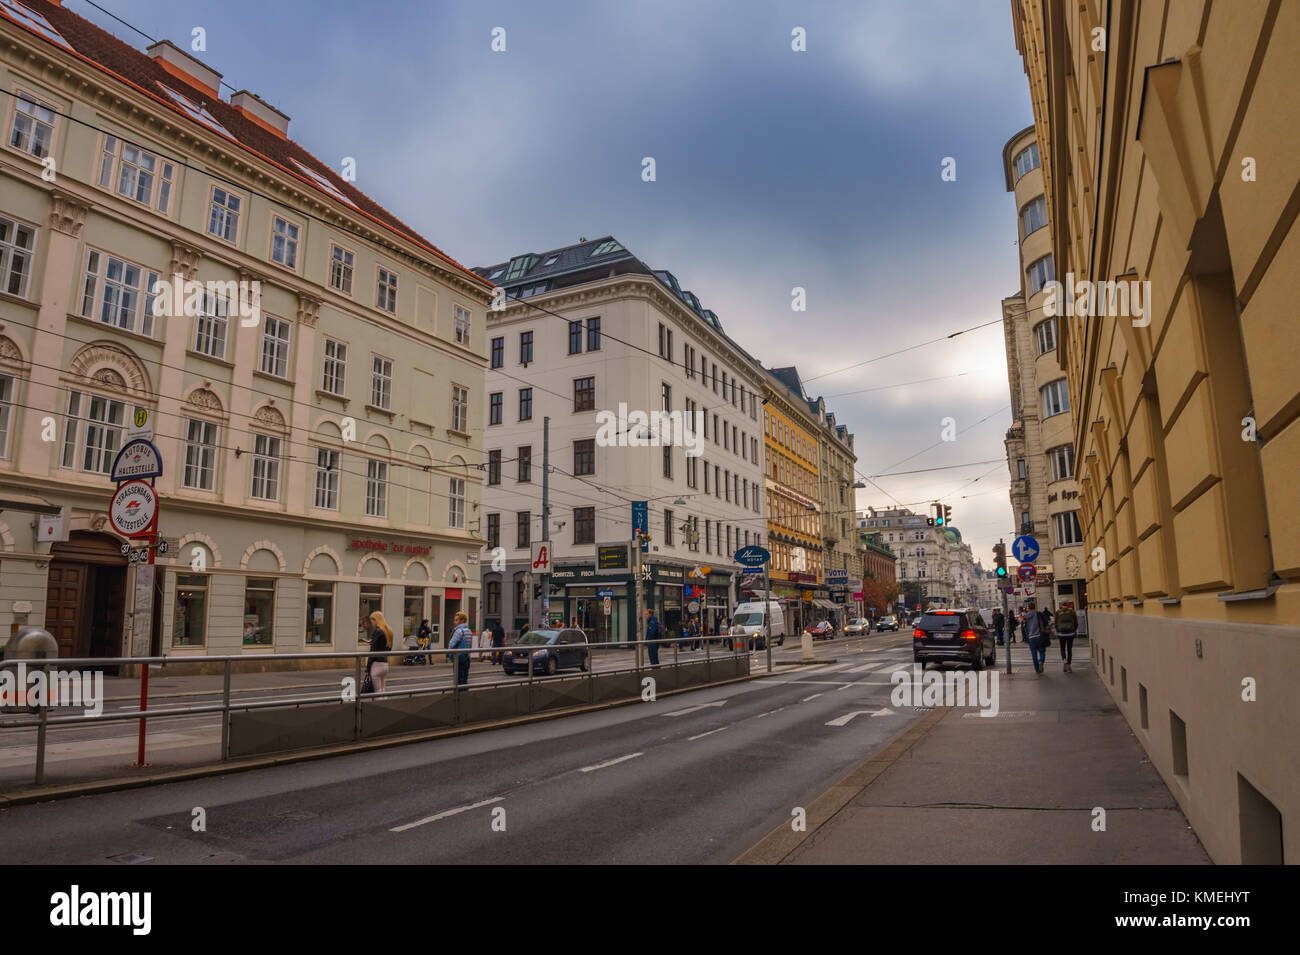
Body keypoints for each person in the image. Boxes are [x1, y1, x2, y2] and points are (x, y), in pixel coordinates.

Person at [366, 611, 393, 693]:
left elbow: (373, 651)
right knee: (383, 690)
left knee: (377, 692)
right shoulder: (388, 631)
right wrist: (373, 641)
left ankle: (378, 705)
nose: (372, 624)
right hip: (385, 664)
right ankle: (384, 705)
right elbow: (387, 647)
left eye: (372, 621)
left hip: (376, 665)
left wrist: (368, 668)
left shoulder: (377, 631)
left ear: (375, 620)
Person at [448, 611, 472, 690]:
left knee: (458, 681)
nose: (454, 622)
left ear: (462, 621)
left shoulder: (459, 631)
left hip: (458, 659)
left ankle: (458, 699)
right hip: (467, 658)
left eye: (456, 620)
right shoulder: (469, 631)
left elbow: (451, 645)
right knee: (465, 681)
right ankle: (465, 698)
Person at [1022, 601, 1046, 673]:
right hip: (1039, 636)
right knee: (1042, 651)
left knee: (1034, 654)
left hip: (1031, 637)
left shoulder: (1025, 617)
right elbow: (1045, 621)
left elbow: (1024, 627)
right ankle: (1041, 661)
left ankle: (1037, 669)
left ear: (1028, 608)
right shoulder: (1038, 613)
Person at [1054, 602, 1079, 672]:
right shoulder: (1072, 612)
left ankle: (1064, 659)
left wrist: (1058, 630)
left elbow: (1055, 623)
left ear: (1061, 605)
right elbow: (1076, 623)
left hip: (1061, 634)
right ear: (1067, 605)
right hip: (1070, 633)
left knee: (1062, 648)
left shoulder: (1058, 612)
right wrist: (1074, 630)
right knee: (1069, 649)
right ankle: (1069, 666)